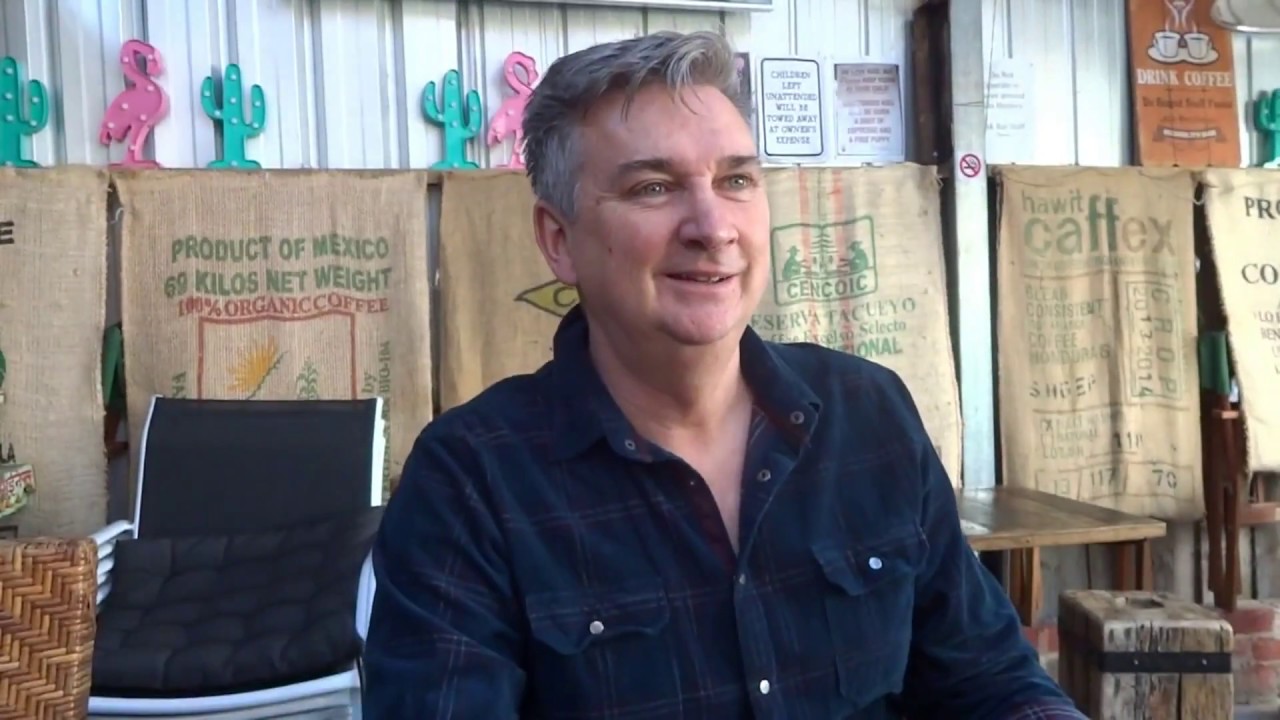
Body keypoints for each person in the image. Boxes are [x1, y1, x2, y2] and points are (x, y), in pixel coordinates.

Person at [363, 30, 1086, 720]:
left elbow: (986, 677)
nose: (713, 227)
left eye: (736, 179)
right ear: (560, 241)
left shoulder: (869, 414)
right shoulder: (470, 484)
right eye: (653, 188)